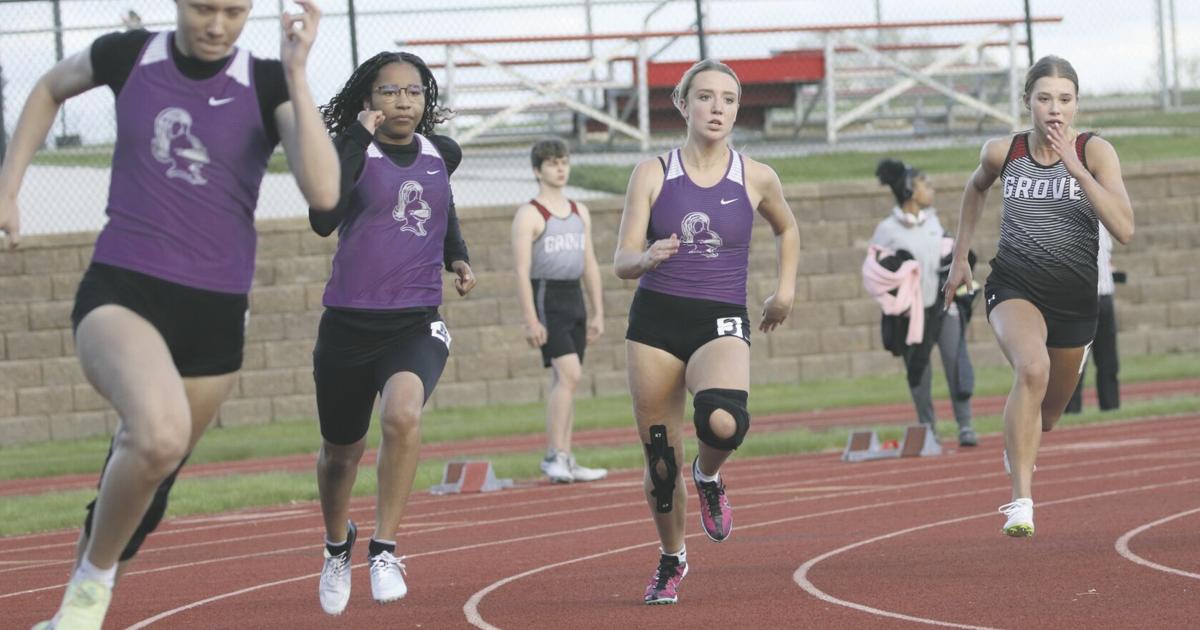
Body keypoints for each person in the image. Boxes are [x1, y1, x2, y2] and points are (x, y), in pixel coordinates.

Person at [0, 1, 339, 628]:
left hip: (215, 316)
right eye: (203, 8)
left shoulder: (267, 82)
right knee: (157, 436)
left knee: (146, 481)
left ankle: (75, 617)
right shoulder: (128, 55)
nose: (216, 25)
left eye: (234, 12)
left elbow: (323, 193)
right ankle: (88, 594)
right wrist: (9, 184)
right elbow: (49, 87)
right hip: (124, 290)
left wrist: (297, 74)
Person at [614, 59, 799, 604]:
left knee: (723, 421)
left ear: (738, 109)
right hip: (654, 323)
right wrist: (645, 257)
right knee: (660, 464)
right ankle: (672, 558)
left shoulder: (756, 175)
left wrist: (784, 291)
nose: (717, 108)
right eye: (705, 97)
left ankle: (710, 474)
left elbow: (787, 228)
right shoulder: (652, 172)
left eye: (728, 99)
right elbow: (620, 259)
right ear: (683, 103)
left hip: (719, 317)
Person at [310, 50, 476, 616]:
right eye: (389, 91)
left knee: (403, 414)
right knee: (340, 455)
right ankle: (338, 547)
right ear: (368, 99)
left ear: (425, 100)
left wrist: (457, 255)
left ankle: (384, 549)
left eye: (413, 91)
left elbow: (442, 204)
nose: (403, 100)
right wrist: (356, 138)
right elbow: (323, 219)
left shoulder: (441, 154)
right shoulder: (348, 154)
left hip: (415, 320)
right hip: (348, 325)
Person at [943, 56, 1133, 538]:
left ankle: (1020, 442)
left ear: (1076, 105)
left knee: (1047, 418)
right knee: (1031, 369)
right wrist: (961, 255)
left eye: (1064, 100)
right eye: (1044, 98)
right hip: (1014, 285)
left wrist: (1077, 169)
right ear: (1027, 101)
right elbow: (975, 187)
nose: (1054, 109)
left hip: (1074, 301)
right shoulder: (1004, 152)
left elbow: (1125, 229)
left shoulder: (1096, 152)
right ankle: (1020, 500)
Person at [511, 138, 607, 484]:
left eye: (564, 161)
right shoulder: (530, 214)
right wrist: (531, 320)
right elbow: (521, 271)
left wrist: (598, 311)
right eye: (552, 163)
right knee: (569, 375)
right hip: (547, 297)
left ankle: (565, 455)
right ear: (538, 170)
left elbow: (590, 263)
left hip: (574, 298)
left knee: (565, 379)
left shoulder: (581, 210)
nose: (560, 168)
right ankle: (555, 455)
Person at [868, 158, 977, 447]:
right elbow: (875, 270)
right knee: (919, 371)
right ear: (909, 190)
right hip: (912, 316)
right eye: (924, 184)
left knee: (956, 361)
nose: (932, 189)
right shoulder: (887, 229)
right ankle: (928, 429)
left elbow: (948, 255)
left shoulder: (934, 222)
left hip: (944, 307)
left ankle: (965, 425)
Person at [1065, 224, 1120, 413]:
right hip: (1080, 298)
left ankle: (1111, 406)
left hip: (1105, 295)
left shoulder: (1104, 224)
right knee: (1076, 362)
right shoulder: (1069, 224)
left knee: (1108, 359)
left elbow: (1106, 257)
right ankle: (1071, 410)